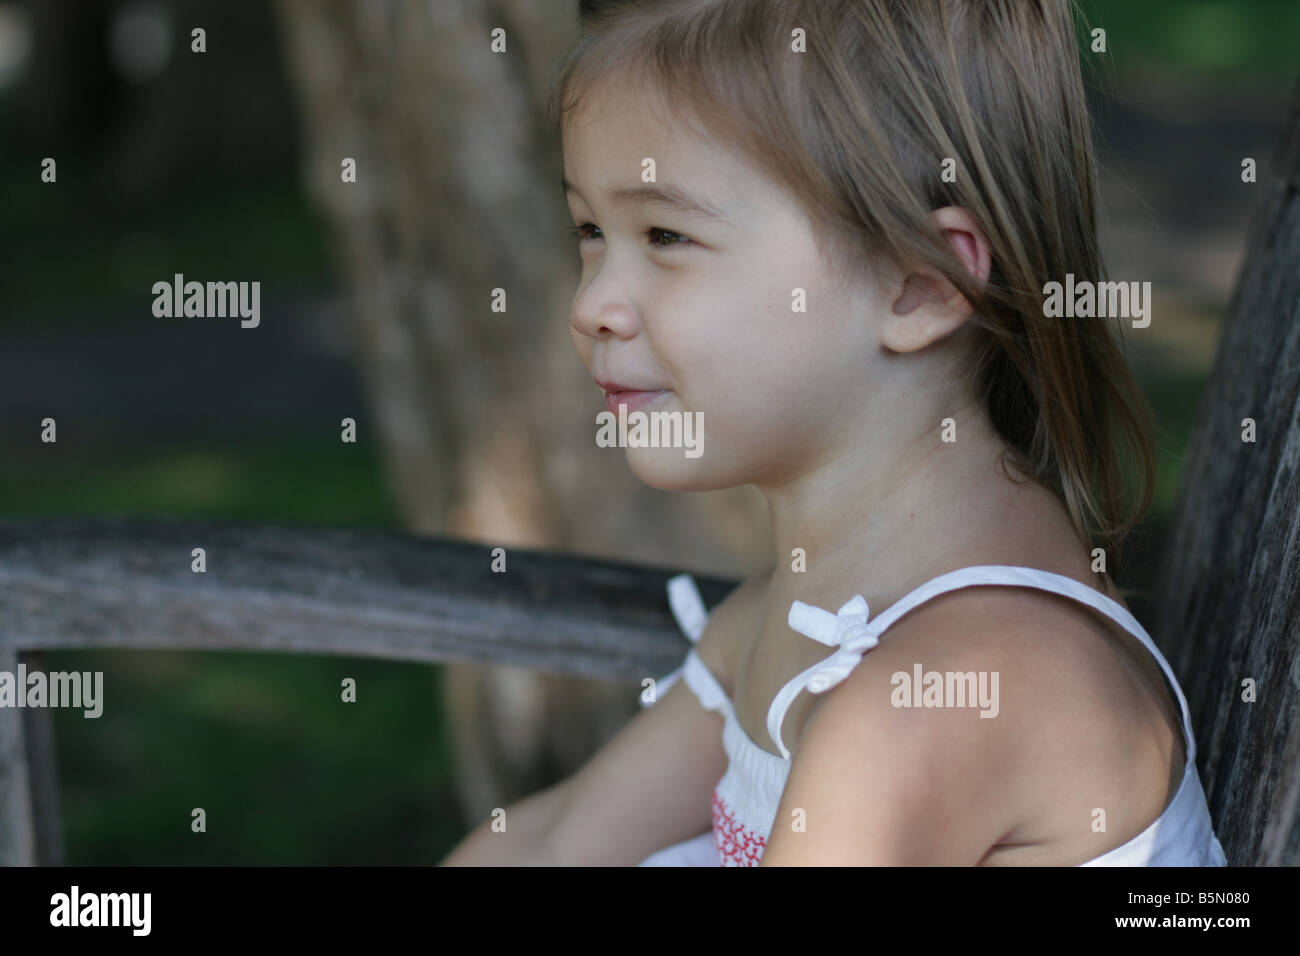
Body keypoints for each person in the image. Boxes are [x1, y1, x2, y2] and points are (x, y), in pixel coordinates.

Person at [441, 0, 1228, 867]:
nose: (590, 306)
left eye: (666, 233)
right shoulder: (792, 617)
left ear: (918, 285)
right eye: (591, 230)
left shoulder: (936, 697)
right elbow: (549, 845)